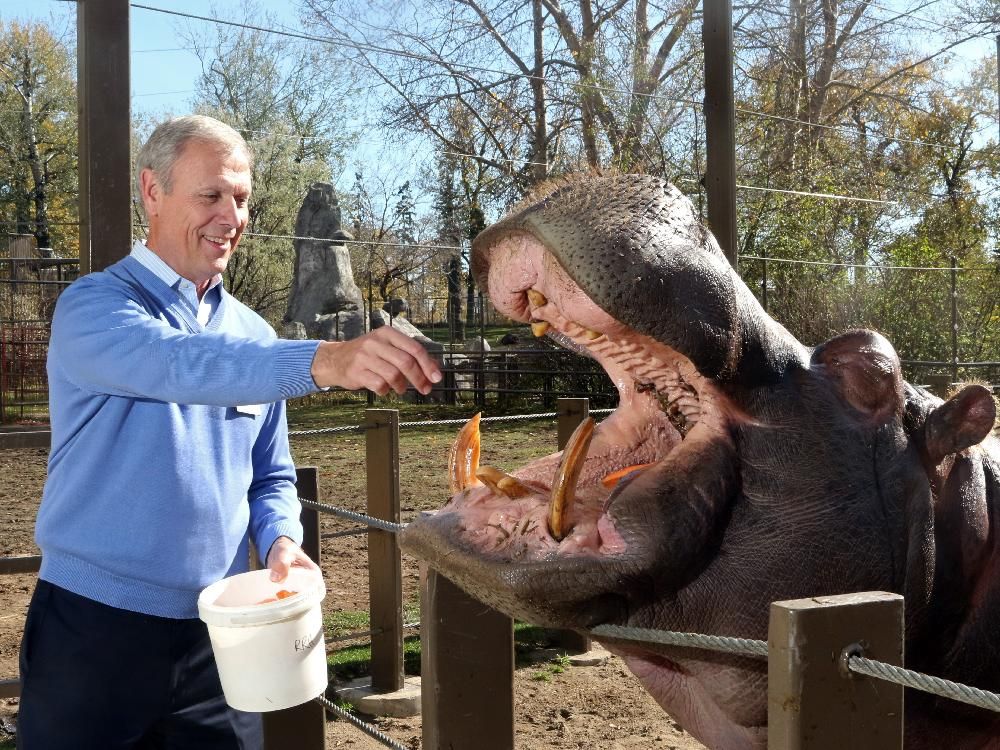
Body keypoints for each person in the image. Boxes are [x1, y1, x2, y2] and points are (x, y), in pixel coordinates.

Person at [16, 114, 441, 750]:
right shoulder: (93, 306)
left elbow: (270, 475)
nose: (231, 216)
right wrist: (326, 360)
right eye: (210, 195)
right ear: (152, 191)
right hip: (92, 629)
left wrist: (281, 538)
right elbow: (179, 363)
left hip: (221, 633)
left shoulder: (253, 333)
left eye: (240, 198)